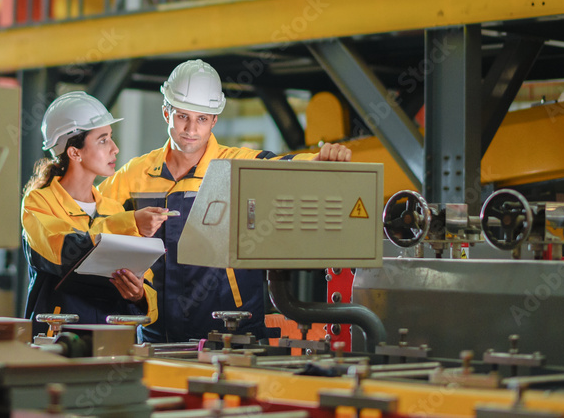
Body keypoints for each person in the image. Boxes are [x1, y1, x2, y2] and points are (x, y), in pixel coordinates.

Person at [99, 59, 351, 343]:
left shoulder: (236, 165)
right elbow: (93, 220)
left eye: (202, 119)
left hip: (232, 331)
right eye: (182, 116)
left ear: (214, 120)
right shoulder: (135, 174)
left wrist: (321, 159)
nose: (191, 129)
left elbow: (287, 166)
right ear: (165, 112)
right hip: (158, 332)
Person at [21, 91, 169, 335]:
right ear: (74, 152)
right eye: (103, 140)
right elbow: (68, 252)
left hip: (113, 344)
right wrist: (129, 222)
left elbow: (147, 285)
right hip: (58, 344)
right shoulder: (38, 203)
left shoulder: (112, 209)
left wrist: (139, 294)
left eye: (110, 138)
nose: (115, 148)